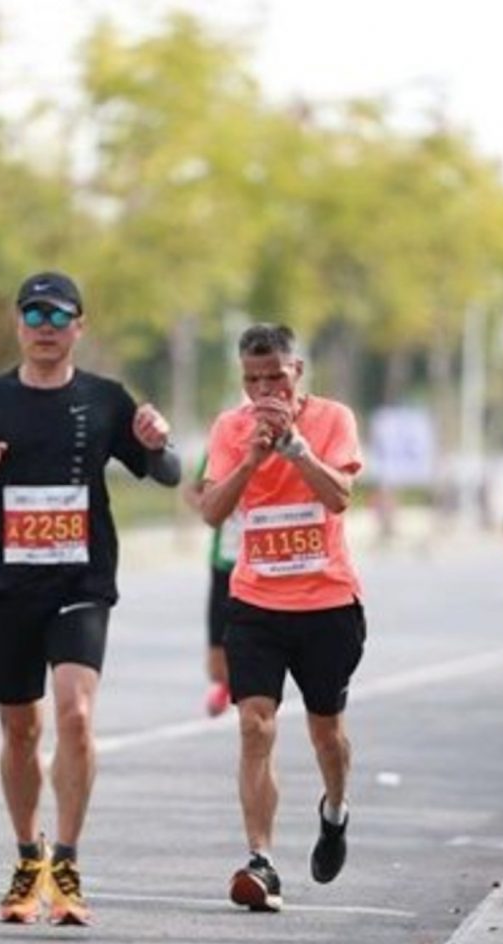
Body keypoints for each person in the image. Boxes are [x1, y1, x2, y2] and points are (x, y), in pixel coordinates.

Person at [0, 270, 181, 926]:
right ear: (17, 324)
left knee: (75, 715)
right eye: (33, 315)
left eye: (57, 316)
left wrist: (158, 442)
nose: (45, 328)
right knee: (21, 728)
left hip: (81, 581)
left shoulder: (104, 399)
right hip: (11, 586)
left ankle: (65, 859)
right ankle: (26, 855)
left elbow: (167, 472)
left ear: (78, 326)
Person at [200, 322, 365, 912]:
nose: (264, 389)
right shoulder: (230, 428)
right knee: (255, 727)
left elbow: (340, 496)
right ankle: (261, 862)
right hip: (256, 603)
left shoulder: (333, 419)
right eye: (252, 379)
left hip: (327, 604)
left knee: (328, 736)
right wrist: (249, 461)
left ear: (298, 371)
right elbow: (212, 511)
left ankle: (336, 809)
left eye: (275, 376)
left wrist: (296, 448)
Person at [183, 452, 242, 716]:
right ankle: (225, 683)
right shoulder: (223, 439)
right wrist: (212, 507)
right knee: (216, 661)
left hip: (264, 566)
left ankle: (249, 690)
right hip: (225, 562)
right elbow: (191, 492)